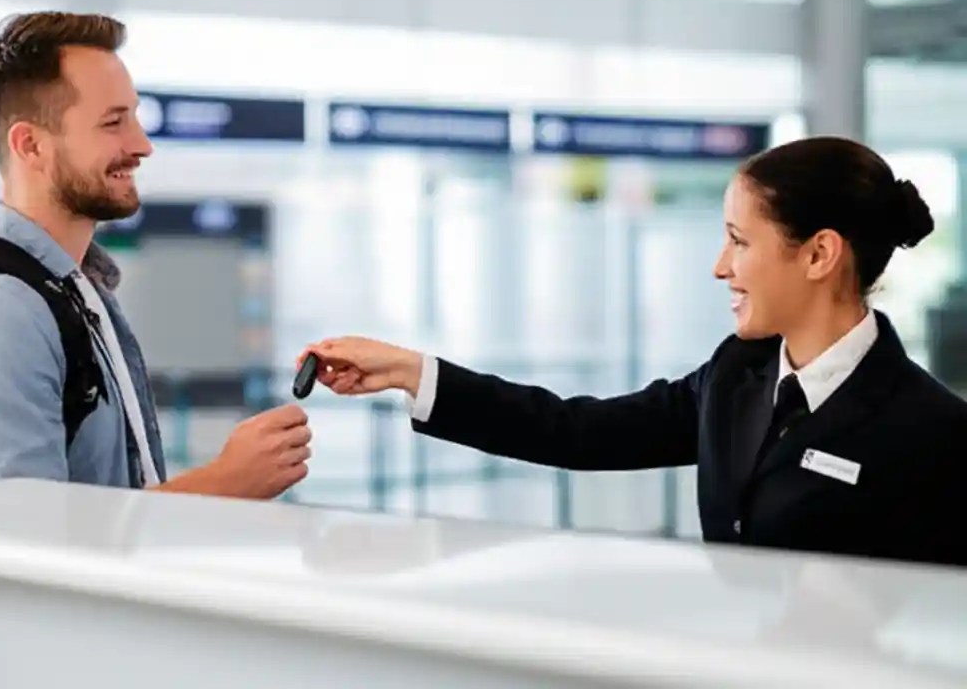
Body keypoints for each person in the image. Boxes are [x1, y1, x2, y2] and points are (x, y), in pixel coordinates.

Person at [300, 136, 967, 568]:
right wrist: (415, 373)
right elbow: (577, 432)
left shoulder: (931, 430)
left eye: (739, 241)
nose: (719, 267)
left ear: (819, 253)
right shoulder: (735, 377)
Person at [0, 11, 311, 498]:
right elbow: (20, 540)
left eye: (134, 117)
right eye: (113, 123)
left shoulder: (75, 289)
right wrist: (223, 483)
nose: (141, 145)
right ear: (31, 145)